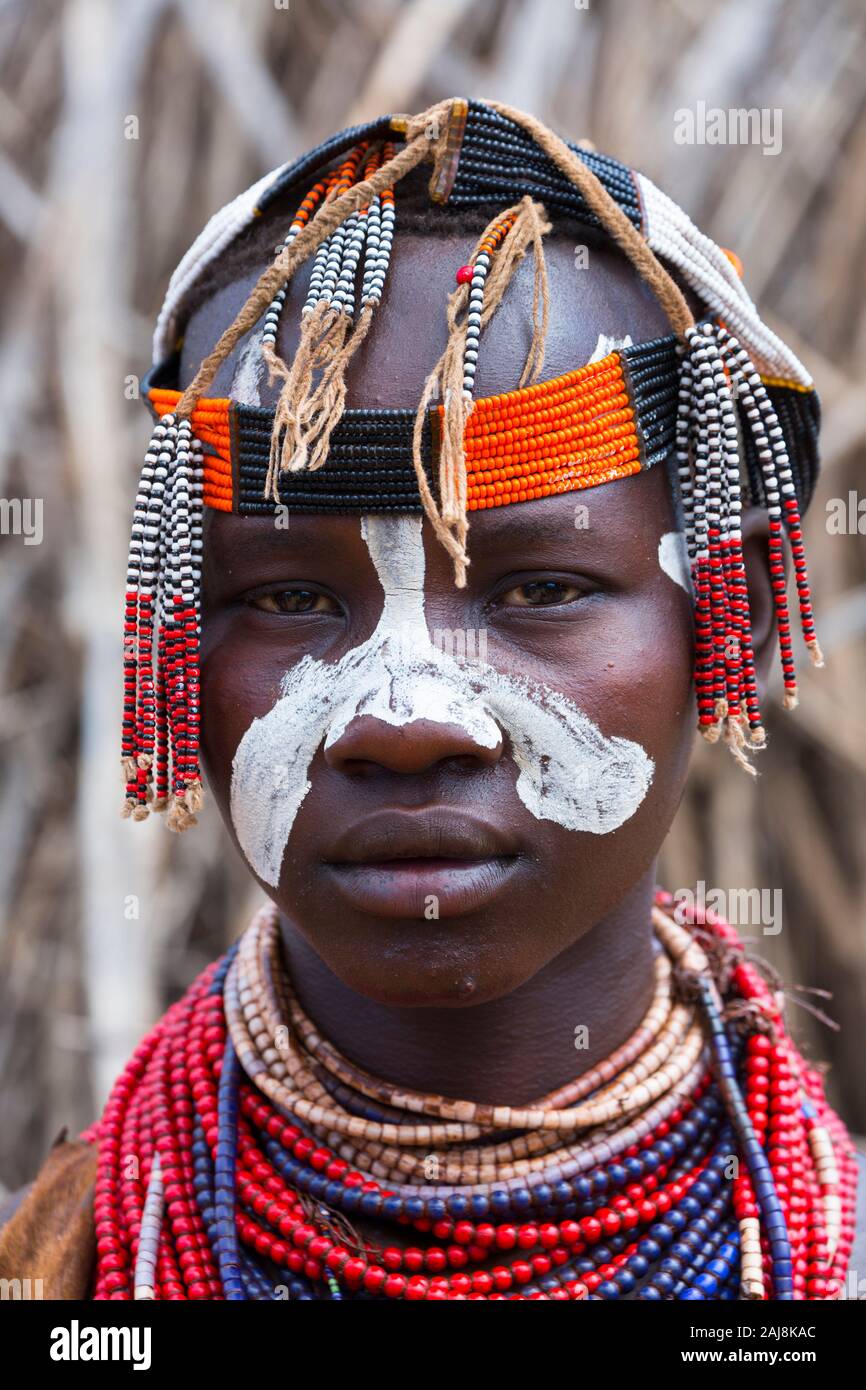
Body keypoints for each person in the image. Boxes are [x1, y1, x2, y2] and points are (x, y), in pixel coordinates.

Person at [1, 98, 863, 1301]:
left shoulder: (822, 1252)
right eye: (291, 600)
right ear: (175, 649)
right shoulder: (79, 1271)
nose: (407, 719)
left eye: (542, 586)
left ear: (736, 618)